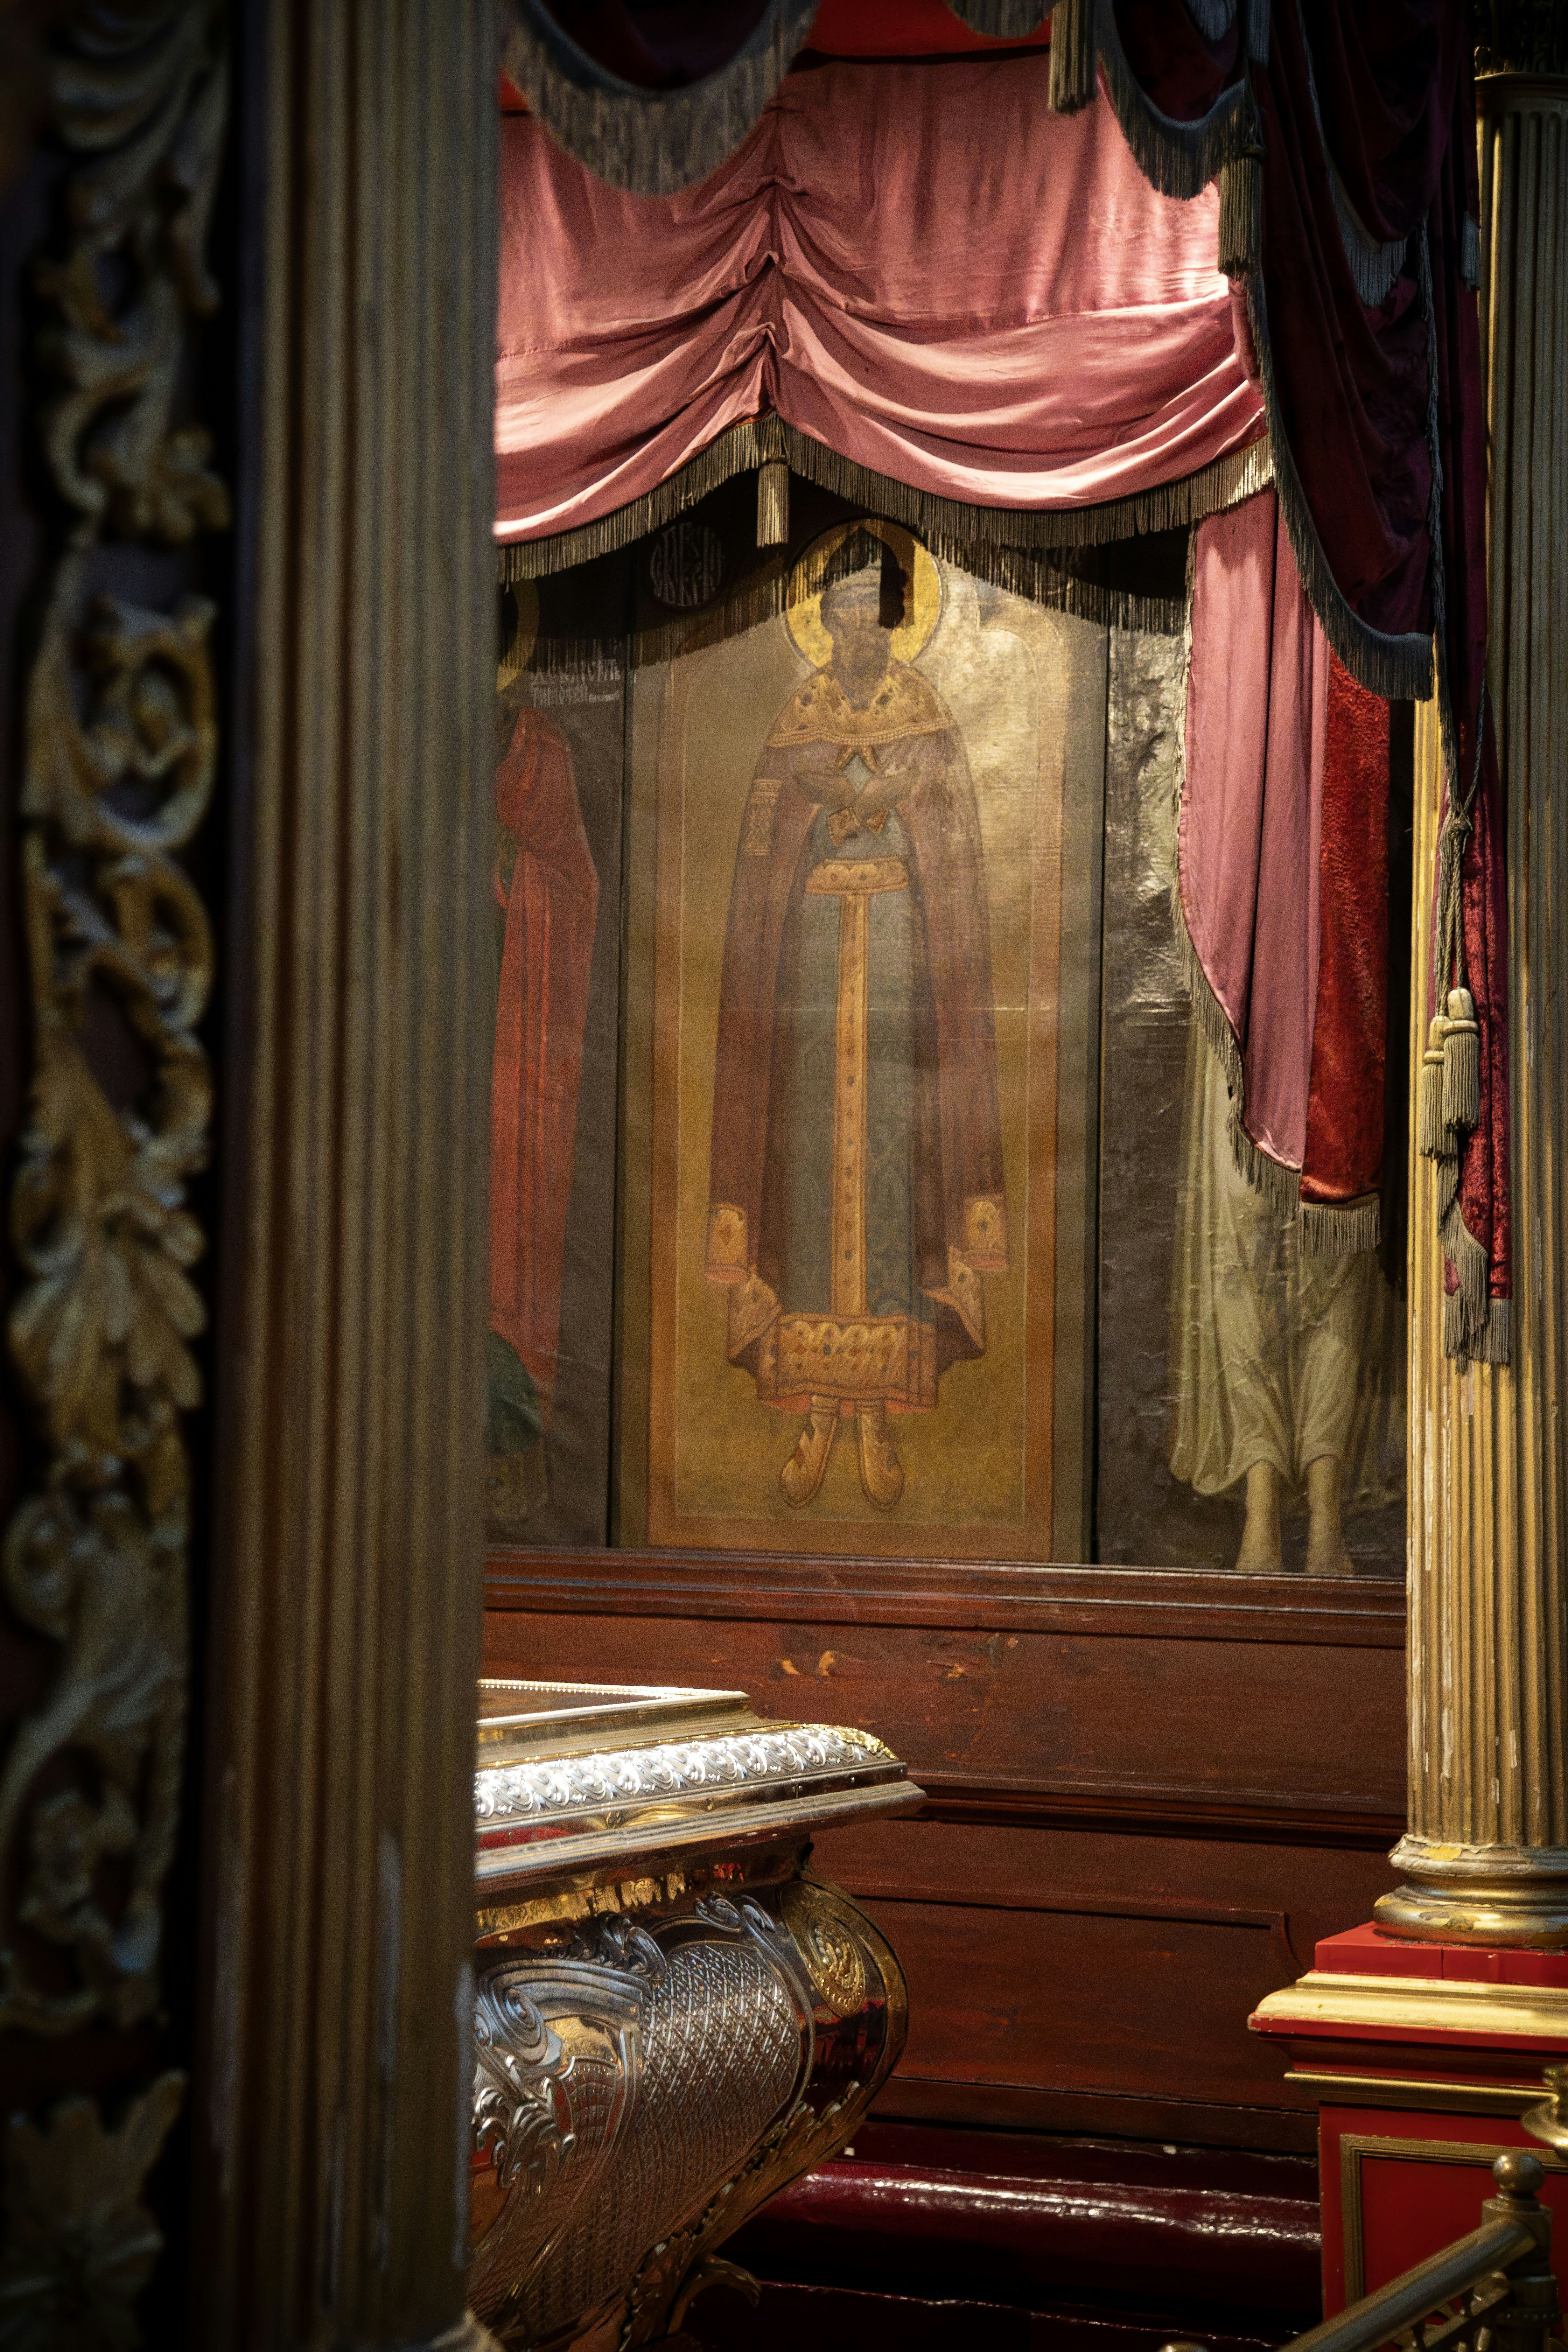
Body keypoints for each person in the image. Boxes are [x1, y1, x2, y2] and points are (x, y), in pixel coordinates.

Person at [705, 524, 1006, 1512]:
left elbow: (955, 857)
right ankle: (815, 1407)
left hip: (898, 978)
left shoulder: (926, 718)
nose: (859, 634)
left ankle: (874, 1410)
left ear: (894, 624)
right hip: (810, 976)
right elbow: (758, 879)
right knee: (807, 1176)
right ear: (824, 626)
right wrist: (827, 819)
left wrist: (897, 814)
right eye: (842, 617)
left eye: (875, 617)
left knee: (894, 1190)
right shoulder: (797, 719)